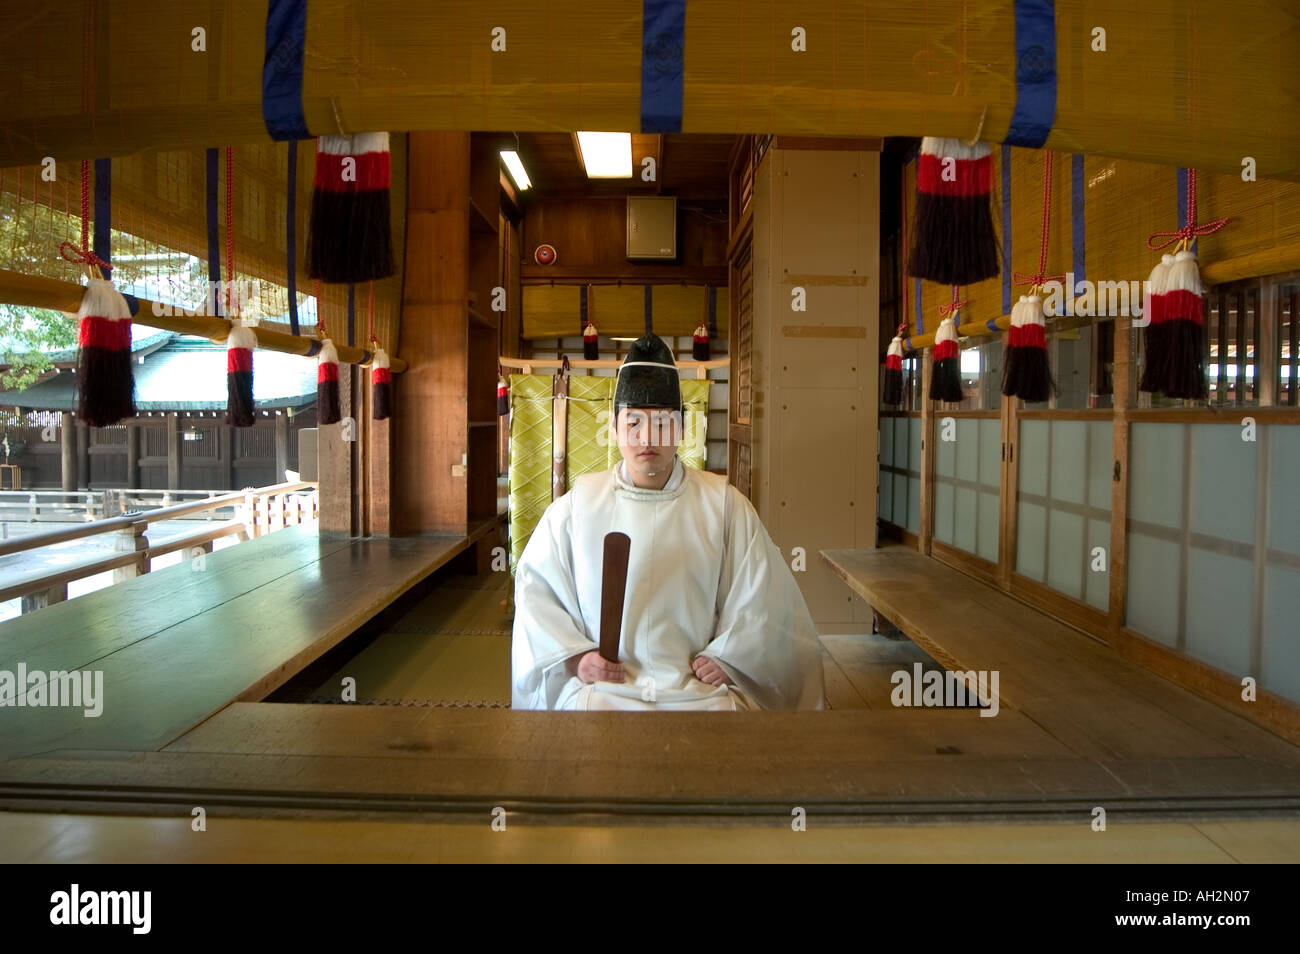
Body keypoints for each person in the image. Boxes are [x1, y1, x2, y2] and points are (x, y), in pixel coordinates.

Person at [511, 333, 826, 711]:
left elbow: (762, 596)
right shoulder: (577, 507)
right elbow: (537, 592)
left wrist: (730, 656)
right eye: (633, 424)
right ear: (613, 428)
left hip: (698, 686)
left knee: (730, 724)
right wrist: (577, 658)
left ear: (681, 428)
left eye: (662, 423)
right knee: (583, 723)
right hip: (607, 685)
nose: (647, 438)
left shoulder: (723, 504)